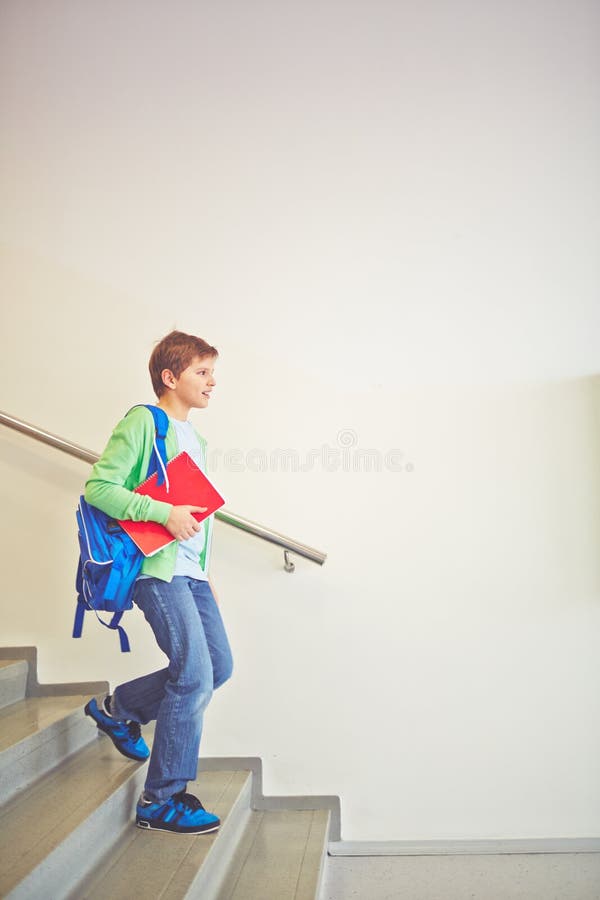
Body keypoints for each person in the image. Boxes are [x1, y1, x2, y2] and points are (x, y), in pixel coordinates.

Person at [83, 330, 233, 835]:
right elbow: (100, 487)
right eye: (202, 372)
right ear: (170, 377)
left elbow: (195, 517)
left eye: (212, 372)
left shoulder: (197, 439)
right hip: (155, 570)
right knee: (192, 674)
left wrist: (206, 576)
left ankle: (120, 709)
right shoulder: (145, 422)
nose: (213, 382)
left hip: (190, 574)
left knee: (218, 667)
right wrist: (162, 512)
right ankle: (162, 800)